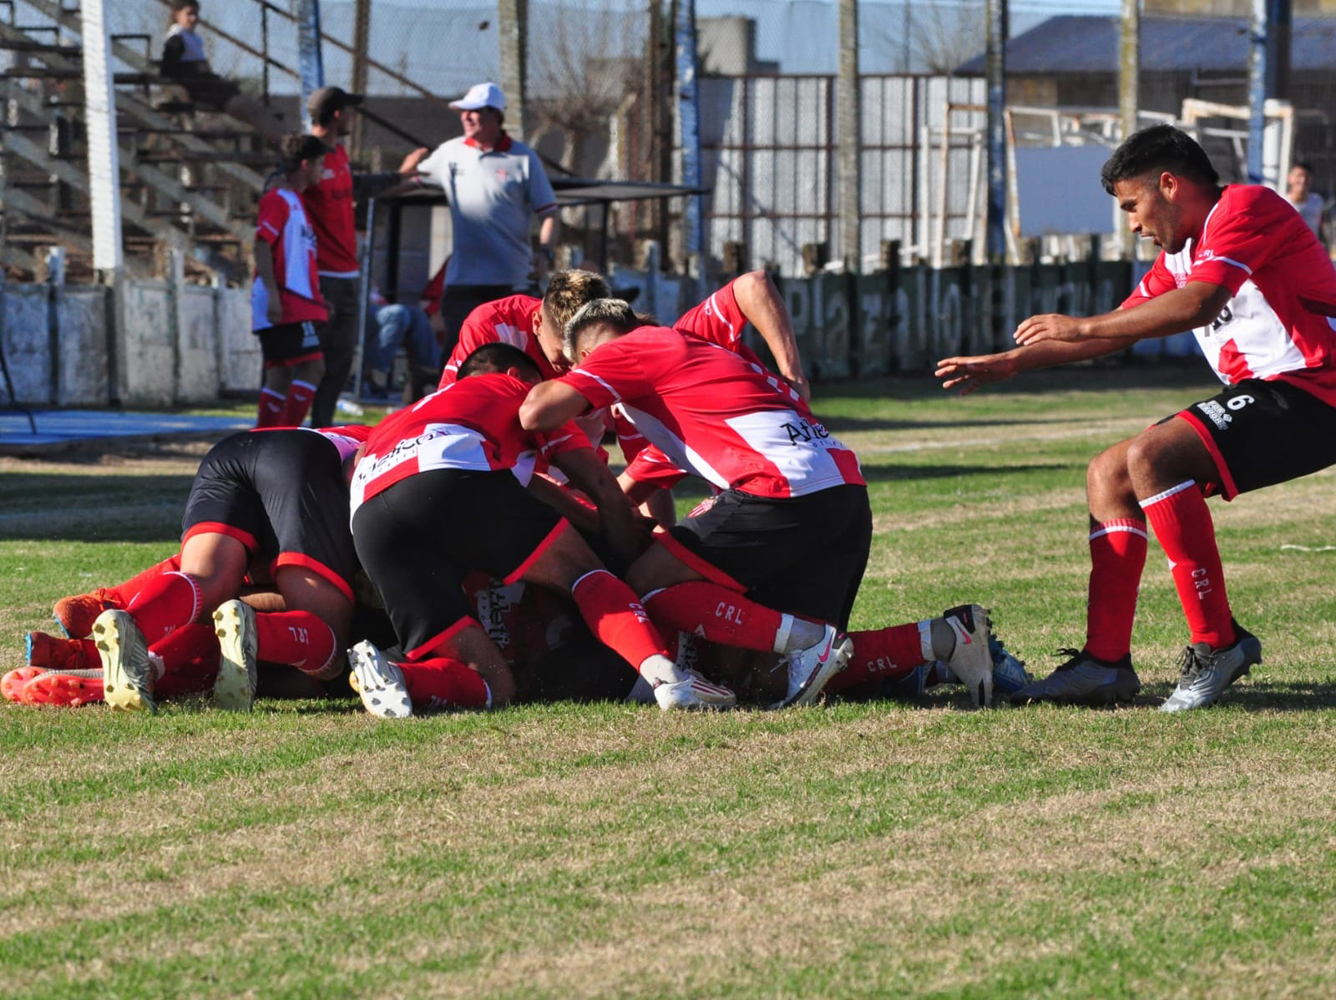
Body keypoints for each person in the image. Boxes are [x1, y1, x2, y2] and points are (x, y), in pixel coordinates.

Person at [936, 124, 1336, 711]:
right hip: (1278, 394)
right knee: (1109, 473)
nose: (1132, 224)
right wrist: (1012, 363)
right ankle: (1104, 665)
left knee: (1153, 457)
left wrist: (1081, 325)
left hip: (1319, 391)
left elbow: (1200, 303)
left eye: (1132, 205)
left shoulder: (1247, 207)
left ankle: (1217, 644)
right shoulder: (1180, 256)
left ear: (1169, 185)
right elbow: (1116, 330)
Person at [521, 299, 998, 708]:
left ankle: (809, 640)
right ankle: (942, 640)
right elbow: (629, 492)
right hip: (843, 491)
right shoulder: (690, 373)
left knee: (646, 583)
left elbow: (536, 411)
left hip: (780, 488)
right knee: (771, 678)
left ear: (586, 355)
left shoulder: (630, 349)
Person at [346, 343, 735, 717]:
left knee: (495, 687)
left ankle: (396, 675)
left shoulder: (405, 413)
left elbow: (535, 490)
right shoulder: (519, 391)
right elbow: (602, 488)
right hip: (445, 471)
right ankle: (667, 680)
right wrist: (623, 555)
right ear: (518, 375)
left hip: (366, 513)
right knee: (585, 574)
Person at [91, 425, 370, 713]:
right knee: (330, 644)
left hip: (232, 449)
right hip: (303, 459)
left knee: (205, 583)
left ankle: (133, 622)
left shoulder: (363, 428)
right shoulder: (397, 435)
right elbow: (360, 461)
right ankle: (255, 630)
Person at [303, 86, 430, 427]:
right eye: (350, 110)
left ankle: (323, 432)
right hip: (322, 277)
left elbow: (359, 187)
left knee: (340, 363)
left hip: (348, 276)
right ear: (337, 114)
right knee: (312, 363)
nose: (354, 117)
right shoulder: (308, 157)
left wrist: (403, 180)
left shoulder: (339, 155)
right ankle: (291, 435)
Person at [416, 82, 559, 355]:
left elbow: (549, 212)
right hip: (462, 281)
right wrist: (377, 183)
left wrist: (546, 253)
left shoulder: (523, 157)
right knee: (457, 354)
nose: (466, 117)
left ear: (495, 116)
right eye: (462, 111)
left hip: (511, 281)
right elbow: (409, 179)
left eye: (474, 111)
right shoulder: (450, 152)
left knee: (512, 356)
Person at [252, 132, 331, 428]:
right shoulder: (279, 199)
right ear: (306, 164)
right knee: (313, 368)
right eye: (321, 163)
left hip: (298, 301)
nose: (324, 170)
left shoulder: (295, 200)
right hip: (284, 301)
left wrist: (317, 299)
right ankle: (285, 436)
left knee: (280, 373)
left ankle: (263, 440)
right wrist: (273, 294)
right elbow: (261, 244)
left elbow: (297, 258)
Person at [159, 0, 286, 146]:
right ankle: (285, 143)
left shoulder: (192, 37)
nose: (194, 19)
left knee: (257, 109)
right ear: (176, 15)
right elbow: (168, 71)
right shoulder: (177, 38)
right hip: (202, 90)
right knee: (251, 110)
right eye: (189, 14)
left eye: (196, 14)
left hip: (211, 85)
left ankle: (283, 140)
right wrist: (182, 91)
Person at [1285, 161, 1327, 244]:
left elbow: (1321, 227)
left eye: (1306, 176)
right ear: (1290, 178)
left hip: (1310, 249)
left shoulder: (1317, 201)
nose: (1303, 180)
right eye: (1299, 176)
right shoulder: (1281, 202)